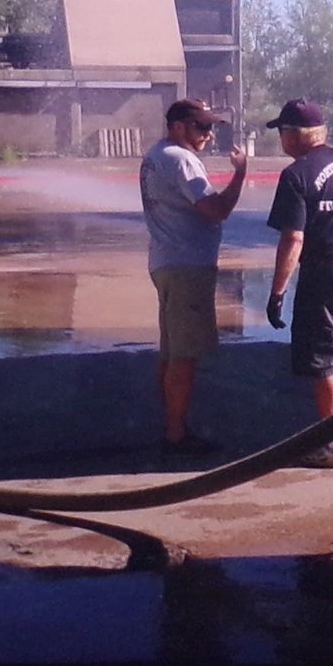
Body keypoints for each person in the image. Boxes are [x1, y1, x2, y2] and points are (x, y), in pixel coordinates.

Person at [260, 98, 333, 470]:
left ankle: (332, 445)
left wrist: (277, 291)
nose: (280, 139)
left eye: (282, 131)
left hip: (325, 273)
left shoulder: (296, 174)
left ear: (295, 135)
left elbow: (293, 238)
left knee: (325, 362)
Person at [139, 98, 246, 460]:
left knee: (172, 353)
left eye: (211, 127)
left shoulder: (157, 153)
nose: (208, 134)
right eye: (201, 127)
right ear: (178, 126)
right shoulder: (181, 160)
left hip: (166, 262)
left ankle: (171, 424)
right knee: (184, 356)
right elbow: (216, 211)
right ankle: (176, 433)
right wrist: (240, 175)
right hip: (187, 267)